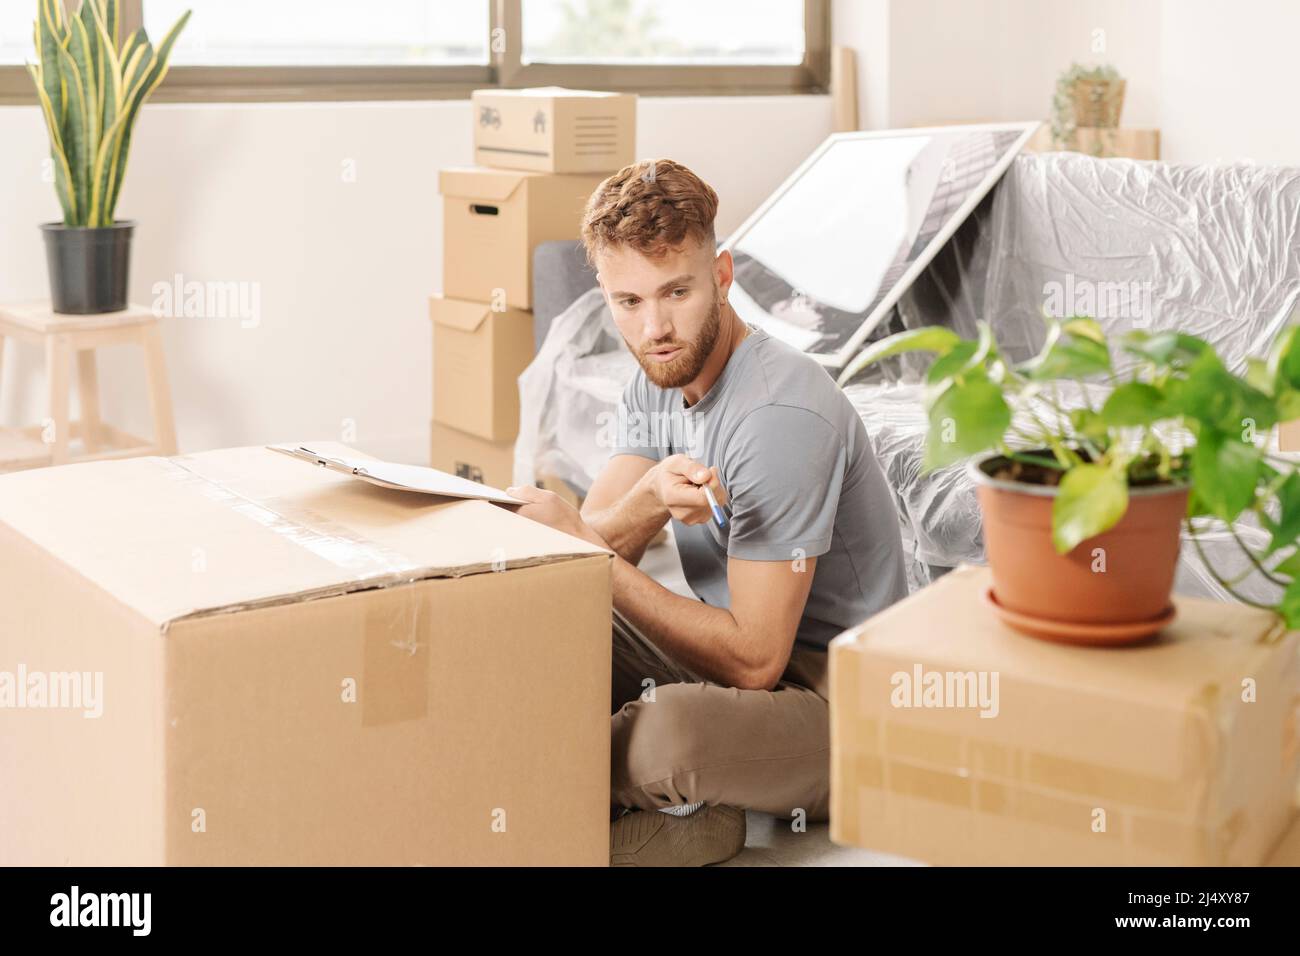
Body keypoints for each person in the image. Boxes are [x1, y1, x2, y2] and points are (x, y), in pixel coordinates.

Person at [507, 159, 907, 866]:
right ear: (605, 295)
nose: (655, 326)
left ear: (721, 276)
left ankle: (515, 787)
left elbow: (756, 660)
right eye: (628, 302)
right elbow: (596, 543)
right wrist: (650, 498)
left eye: (677, 292)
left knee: (669, 735)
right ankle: (669, 817)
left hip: (838, 701)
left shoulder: (777, 416)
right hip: (744, 675)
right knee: (548, 607)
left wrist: (590, 544)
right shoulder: (658, 373)